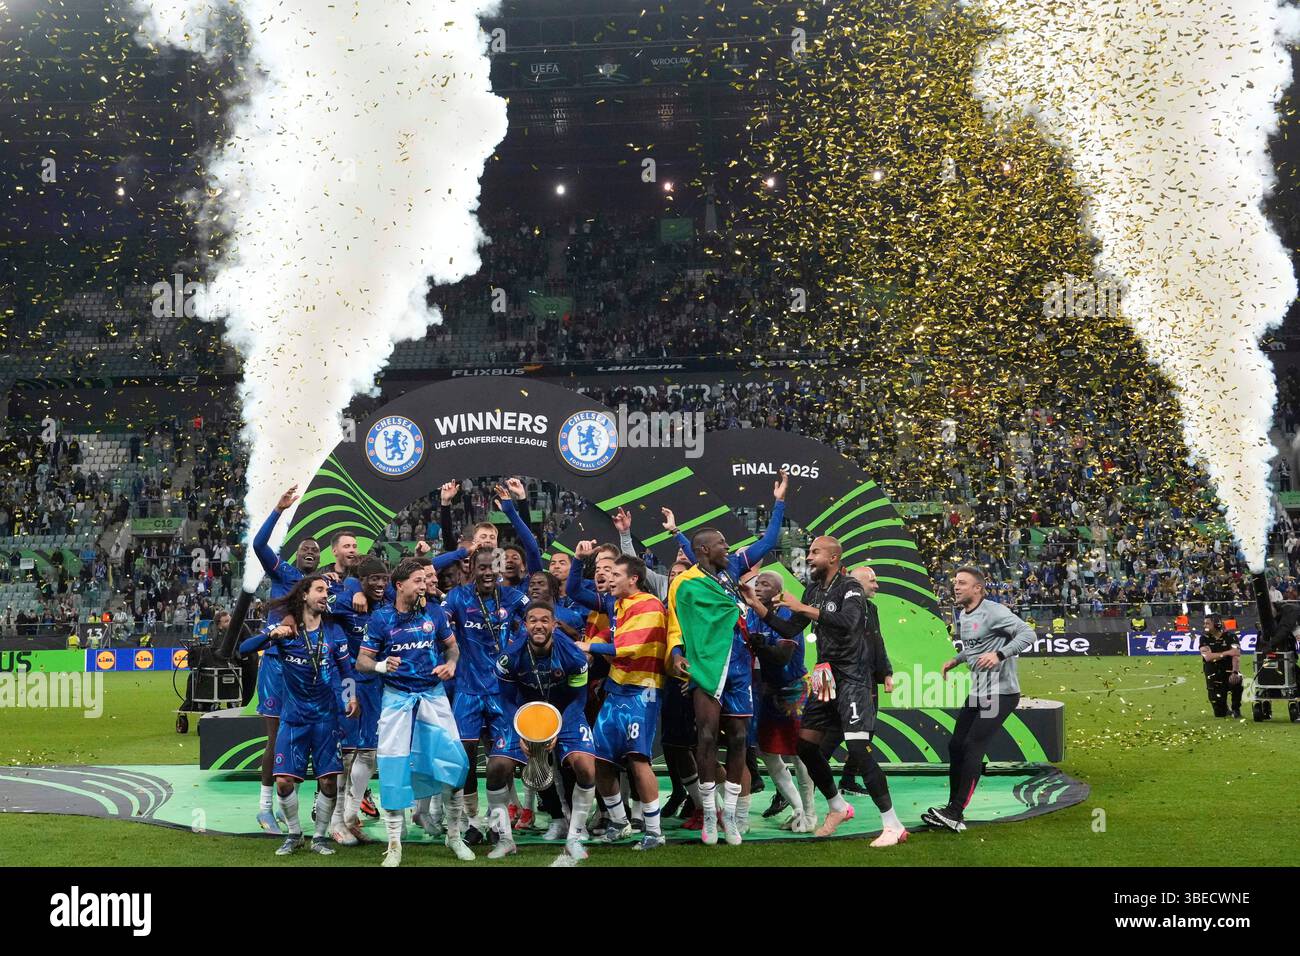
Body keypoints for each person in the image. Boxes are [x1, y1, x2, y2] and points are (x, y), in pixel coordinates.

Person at [781, 536, 907, 845]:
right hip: (825, 679)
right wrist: (757, 605)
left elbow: (850, 623)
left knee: (858, 749)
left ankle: (893, 825)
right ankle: (837, 806)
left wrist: (885, 671)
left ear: (833, 557)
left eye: (814, 552)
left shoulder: (850, 587)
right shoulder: (813, 590)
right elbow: (789, 628)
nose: (808, 557)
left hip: (853, 679)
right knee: (806, 746)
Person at [356, 557, 472, 866]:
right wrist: (381, 665)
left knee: (454, 764)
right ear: (400, 585)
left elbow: (453, 647)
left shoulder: (435, 613)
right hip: (396, 700)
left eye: (425, 580)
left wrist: (450, 664)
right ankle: (394, 844)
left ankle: (454, 836)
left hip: (433, 696)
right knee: (393, 769)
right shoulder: (380, 619)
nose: (425, 585)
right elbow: (362, 661)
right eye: (418, 580)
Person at [238, 575, 357, 857]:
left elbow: (346, 671)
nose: (324, 595)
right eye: (319, 590)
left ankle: (320, 837)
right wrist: (271, 635)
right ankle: (294, 834)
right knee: (283, 781)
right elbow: (243, 649)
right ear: (304, 595)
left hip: (326, 719)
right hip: (293, 718)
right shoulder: (287, 631)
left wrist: (351, 697)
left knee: (328, 781)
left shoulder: (333, 632)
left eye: (326, 591)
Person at [923, 565, 1036, 834]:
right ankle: (951, 808)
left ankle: (955, 813)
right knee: (955, 745)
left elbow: (1028, 634)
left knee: (973, 745)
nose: (956, 586)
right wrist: (956, 659)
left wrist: (1000, 654)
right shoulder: (963, 614)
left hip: (1000, 693)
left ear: (978, 588)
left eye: (962, 582)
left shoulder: (995, 611)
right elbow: (975, 646)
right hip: (978, 691)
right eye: (955, 582)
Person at [491, 601, 598, 864]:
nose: (538, 625)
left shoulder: (574, 657)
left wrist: (556, 728)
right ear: (525, 625)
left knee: (585, 767)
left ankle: (575, 837)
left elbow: (578, 700)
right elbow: (506, 700)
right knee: (496, 768)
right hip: (525, 714)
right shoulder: (509, 657)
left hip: (566, 714)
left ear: (554, 624)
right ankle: (505, 839)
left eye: (544, 620)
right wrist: (522, 731)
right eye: (533, 620)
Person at [578, 555, 671, 852]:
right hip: (617, 689)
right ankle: (619, 823)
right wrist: (589, 645)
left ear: (633, 579)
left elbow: (628, 647)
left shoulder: (649, 604)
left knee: (638, 759)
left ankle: (654, 832)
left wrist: (589, 646)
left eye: (616, 574)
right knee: (601, 759)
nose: (609, 579)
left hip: (642, 690)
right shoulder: (619, 606)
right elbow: (609, 635)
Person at [441, 546, 530, 844]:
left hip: (502, 690)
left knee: (501, 761)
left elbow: (537, 618)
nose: (488, 572)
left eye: (494, 566)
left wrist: (515, 648)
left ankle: (496, 821)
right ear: (472, 569)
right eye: (482, 567)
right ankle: (473, 823)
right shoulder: (457, 596)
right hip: (467, 689)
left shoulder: (513, 597)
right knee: (464, 759)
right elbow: (440, 621)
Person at [249, 484, 321, 834]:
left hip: (309, 668)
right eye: (305, 548)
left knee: (311, 737)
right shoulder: (283, 573)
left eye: (315, 550)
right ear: (296, 555)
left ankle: (310, 807)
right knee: (276, 737)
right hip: (278, 665)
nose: (310, 552)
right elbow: (259, 545)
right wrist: (278, 510)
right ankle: (265, 809)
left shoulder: (323, 586)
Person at [740, 570, 814, 832]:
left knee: (798, 754)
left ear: (778, 591)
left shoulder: (786, 615)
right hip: (767, 691)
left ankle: (810, 813)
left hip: (793, 690)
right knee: (768, 753)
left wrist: (760, 647)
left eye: (765, 584)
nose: (759, 587)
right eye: (757, 583)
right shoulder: (752, 614)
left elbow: (782, 657)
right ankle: (797, 808)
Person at [326, 556, 389, 845]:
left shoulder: (387, 601)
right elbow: (319, 601)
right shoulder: (346, 600)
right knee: (346, 753)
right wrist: (352, 588)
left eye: (383, 578)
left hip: (374, 683)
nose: (379, 584)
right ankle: (335, 821)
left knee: (369, 753)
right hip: (347, 682)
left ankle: (350, 817)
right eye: (373, 579)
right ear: (362, 580)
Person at [1200, 614, 1243, 718]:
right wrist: (1227, 653)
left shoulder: (1231, 637)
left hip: (1229, 670)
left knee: (1237, 682)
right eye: (1204, 623)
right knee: (1219, 713)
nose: (1205, 626)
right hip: (1213, 674)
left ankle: (1236, 708)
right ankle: (1224, 708)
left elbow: (1236, 655)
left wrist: (1235, 672)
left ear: (1217, 624)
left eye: (1207, 623)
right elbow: (1208, 657)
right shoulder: (1204, 638)